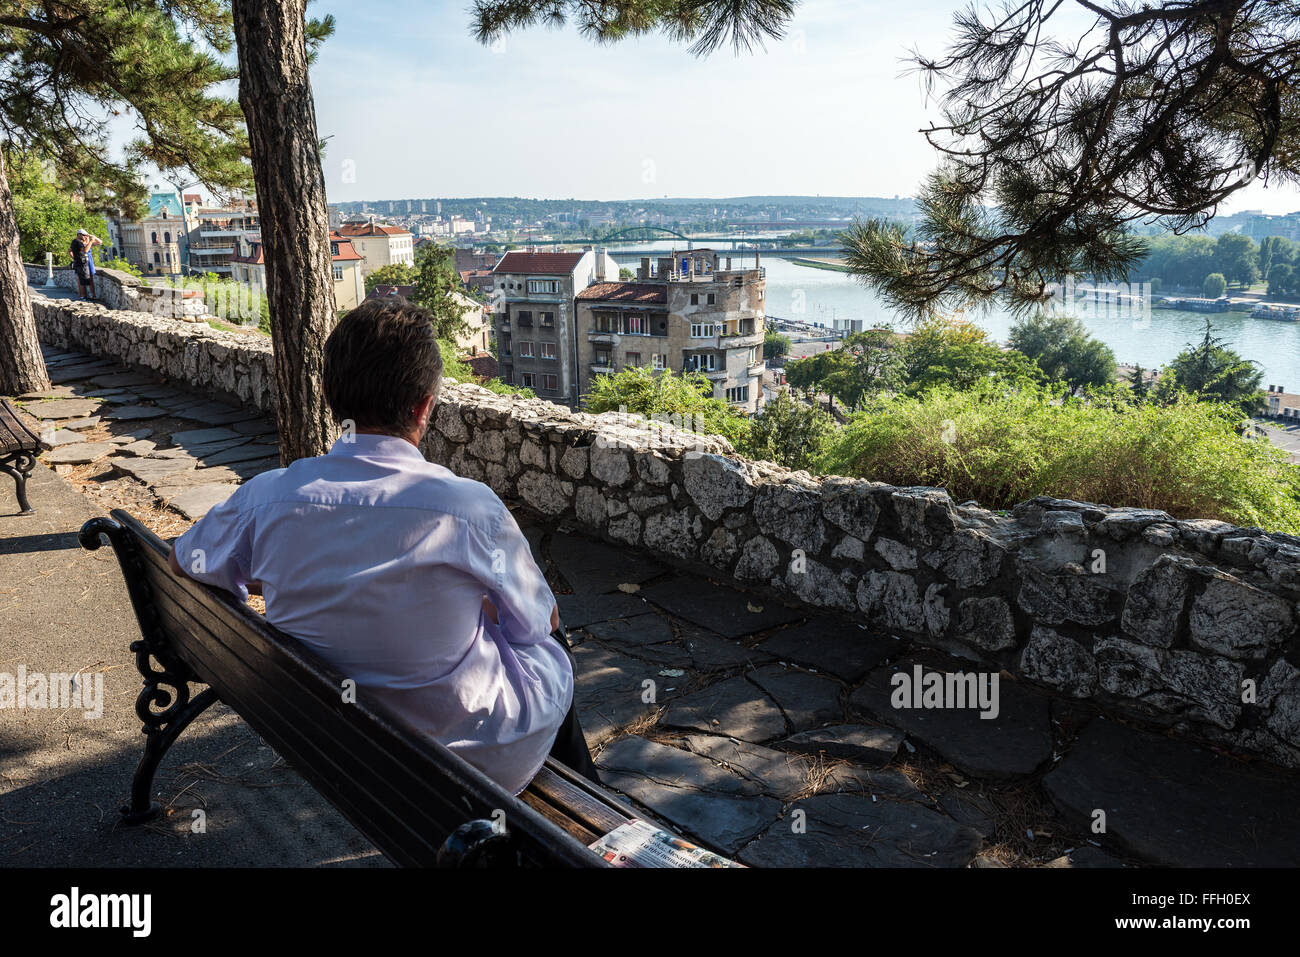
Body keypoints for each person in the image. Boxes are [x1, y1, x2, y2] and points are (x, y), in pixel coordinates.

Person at [167, 297, 598, 794]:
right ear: (423, 406)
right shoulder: (466, 508)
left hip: (338, 750)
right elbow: (540, 625)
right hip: (475, 764)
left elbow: (183, 558)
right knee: (544, 639)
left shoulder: (267, 498)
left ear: (331, 395)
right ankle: (589, 798)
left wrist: (275, 572)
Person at [69, 228, 102, 300]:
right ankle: (83, 296)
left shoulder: (86, 243)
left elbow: (100, 242)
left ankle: (91, 295)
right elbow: (84, 250)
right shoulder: (77, 242)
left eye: (85, 236)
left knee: (89, 278)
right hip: (82, 261)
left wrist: (91, 236)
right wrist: (75, 258)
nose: (85, 237)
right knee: (82, 278)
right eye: (84, 235)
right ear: (79, 235)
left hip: (88, 260)